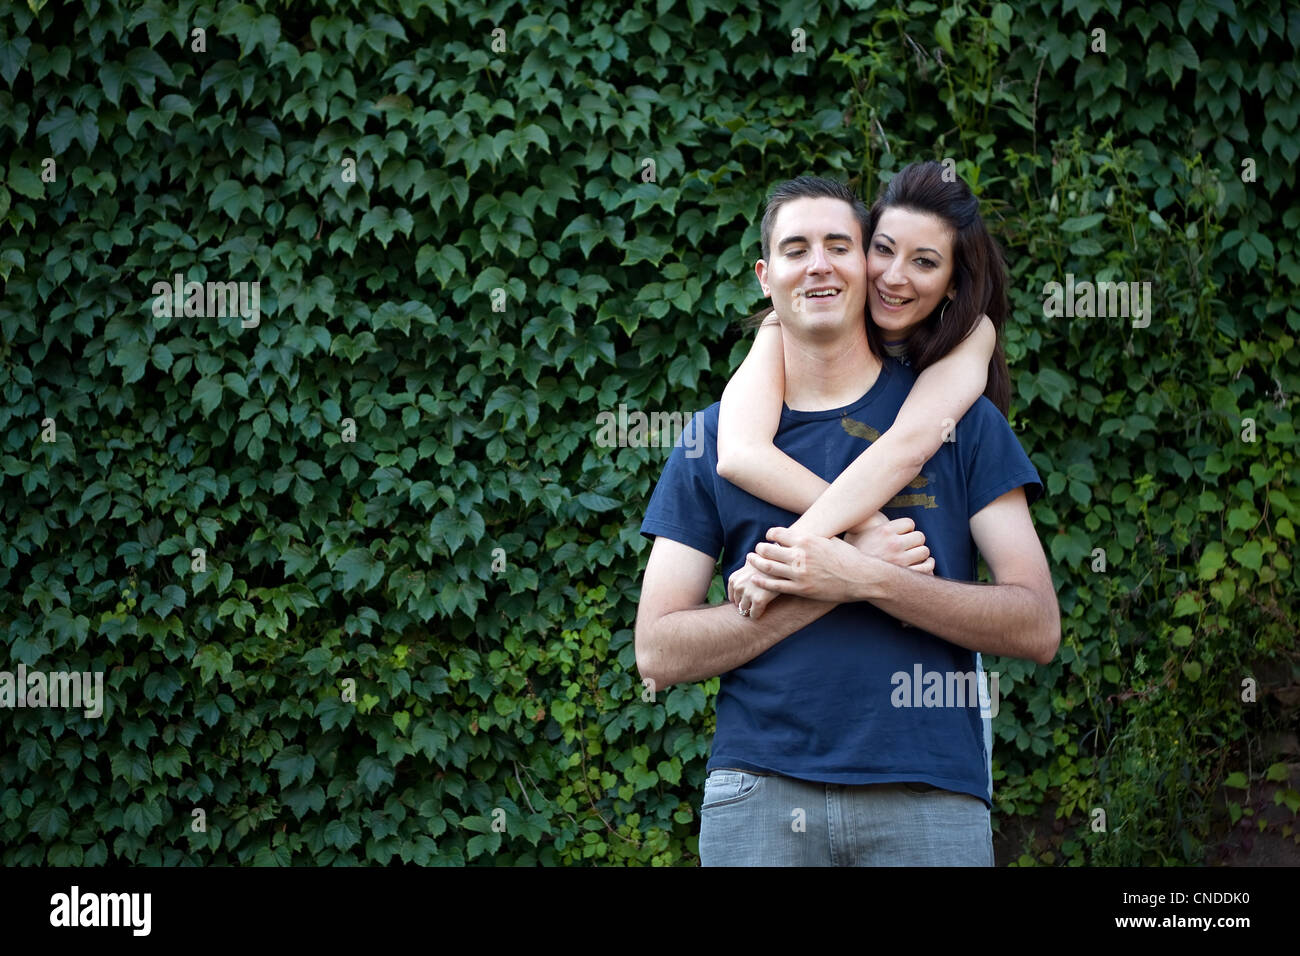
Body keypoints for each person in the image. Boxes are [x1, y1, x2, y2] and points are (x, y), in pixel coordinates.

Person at [634, 167, 1059, 866]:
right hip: (759, 795)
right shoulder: (711, 437)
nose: (820, 264)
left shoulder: (961, 422)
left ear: (862, 266)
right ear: (764, 277)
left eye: (840, 244)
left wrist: (870, 581)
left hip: (928, 795)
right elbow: (658, 651)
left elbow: (1037, 625)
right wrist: (828, 584)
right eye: (797, 249)